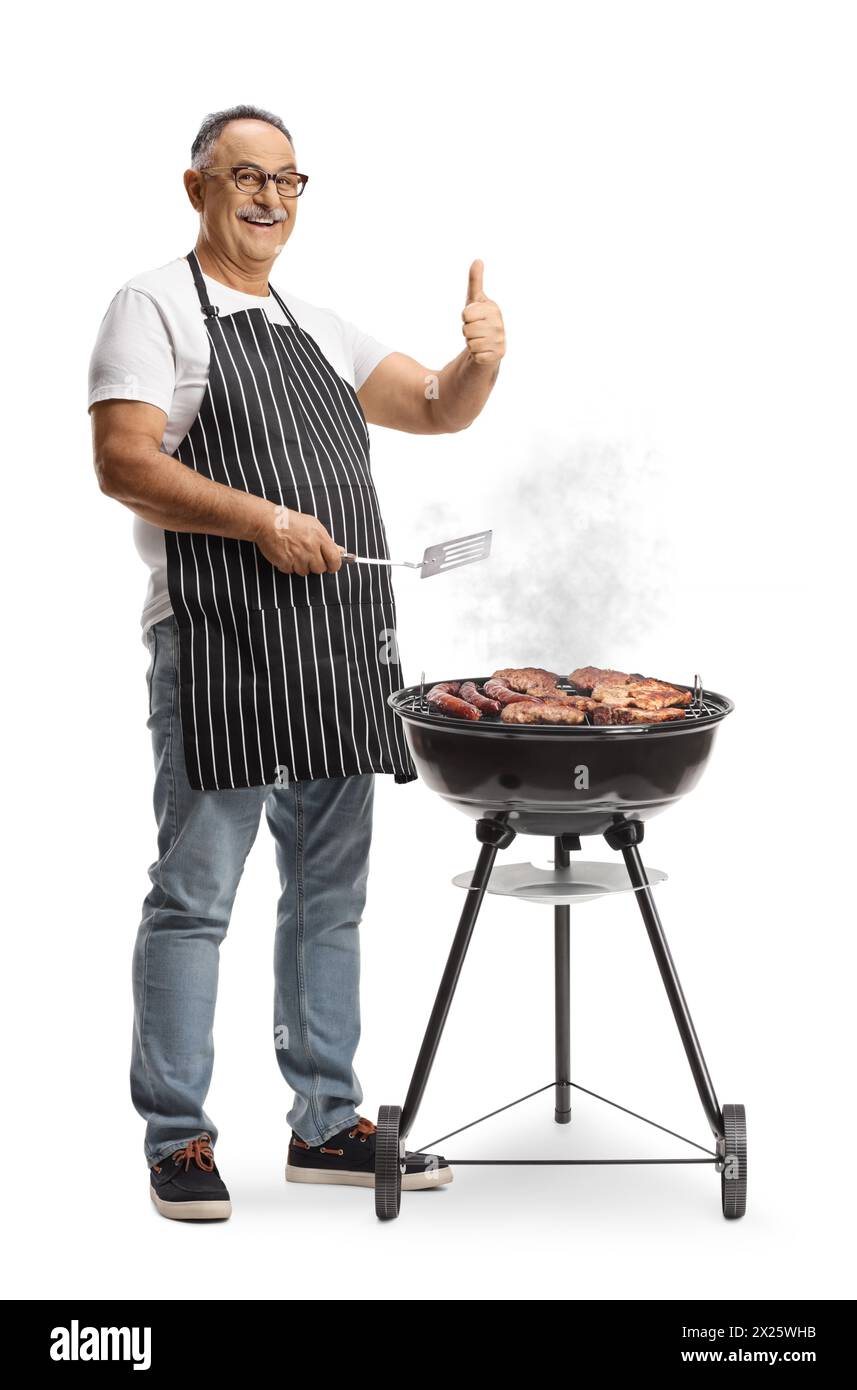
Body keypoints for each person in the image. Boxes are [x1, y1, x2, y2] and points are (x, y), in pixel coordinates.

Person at [88, 103, 505, 1221]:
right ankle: (178, 1137)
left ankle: (325, 1121)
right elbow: (123, 462)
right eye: (244, 176)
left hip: (334, 648)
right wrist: (261, 521)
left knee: (328, 897)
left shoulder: (316, 323)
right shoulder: (152, 306)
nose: (268, 196)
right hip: (219, 642)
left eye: (287, 178)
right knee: (195, 896)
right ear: (198, 189)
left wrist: (478, 361)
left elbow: (431, 408)